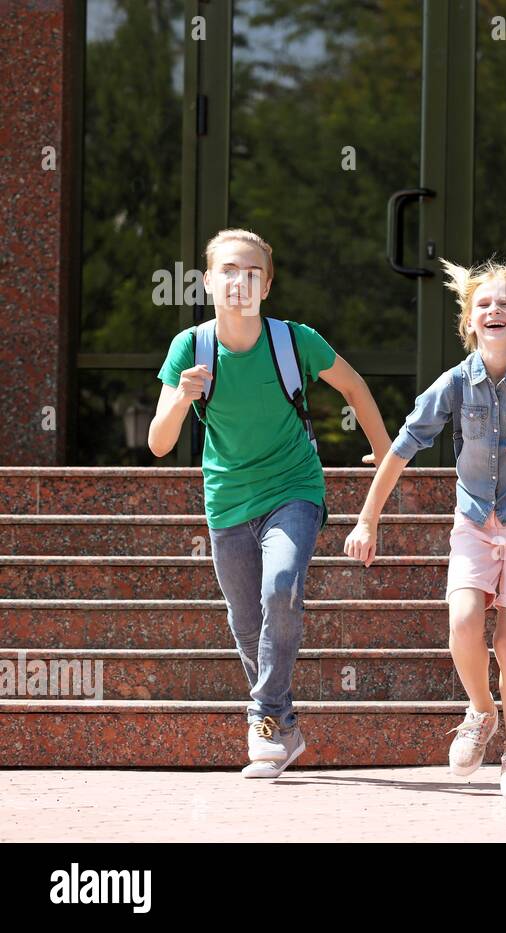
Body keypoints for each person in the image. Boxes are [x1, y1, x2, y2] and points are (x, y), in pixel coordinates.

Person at [151, 228, 392, 777]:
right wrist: (182, 398)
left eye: (252, 272)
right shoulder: (190, 348)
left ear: (267, 285)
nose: (239, 282)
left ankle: (262, 716)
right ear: (208, 280)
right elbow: (159, 444)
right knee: (244, 618)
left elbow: (354, 387)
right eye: (228, 271)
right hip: (228, 499)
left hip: (294, 489)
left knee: (280, 587)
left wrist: (383, 454)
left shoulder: (293, 340)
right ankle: (284, 725)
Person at [344, 251, 506, 797]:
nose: (493, 309)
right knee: (464, 623)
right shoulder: (454, 383)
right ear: (470, 322)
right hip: (474, 519)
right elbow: (400, 450)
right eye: (483, 304)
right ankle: (480, 710)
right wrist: (367, 520)